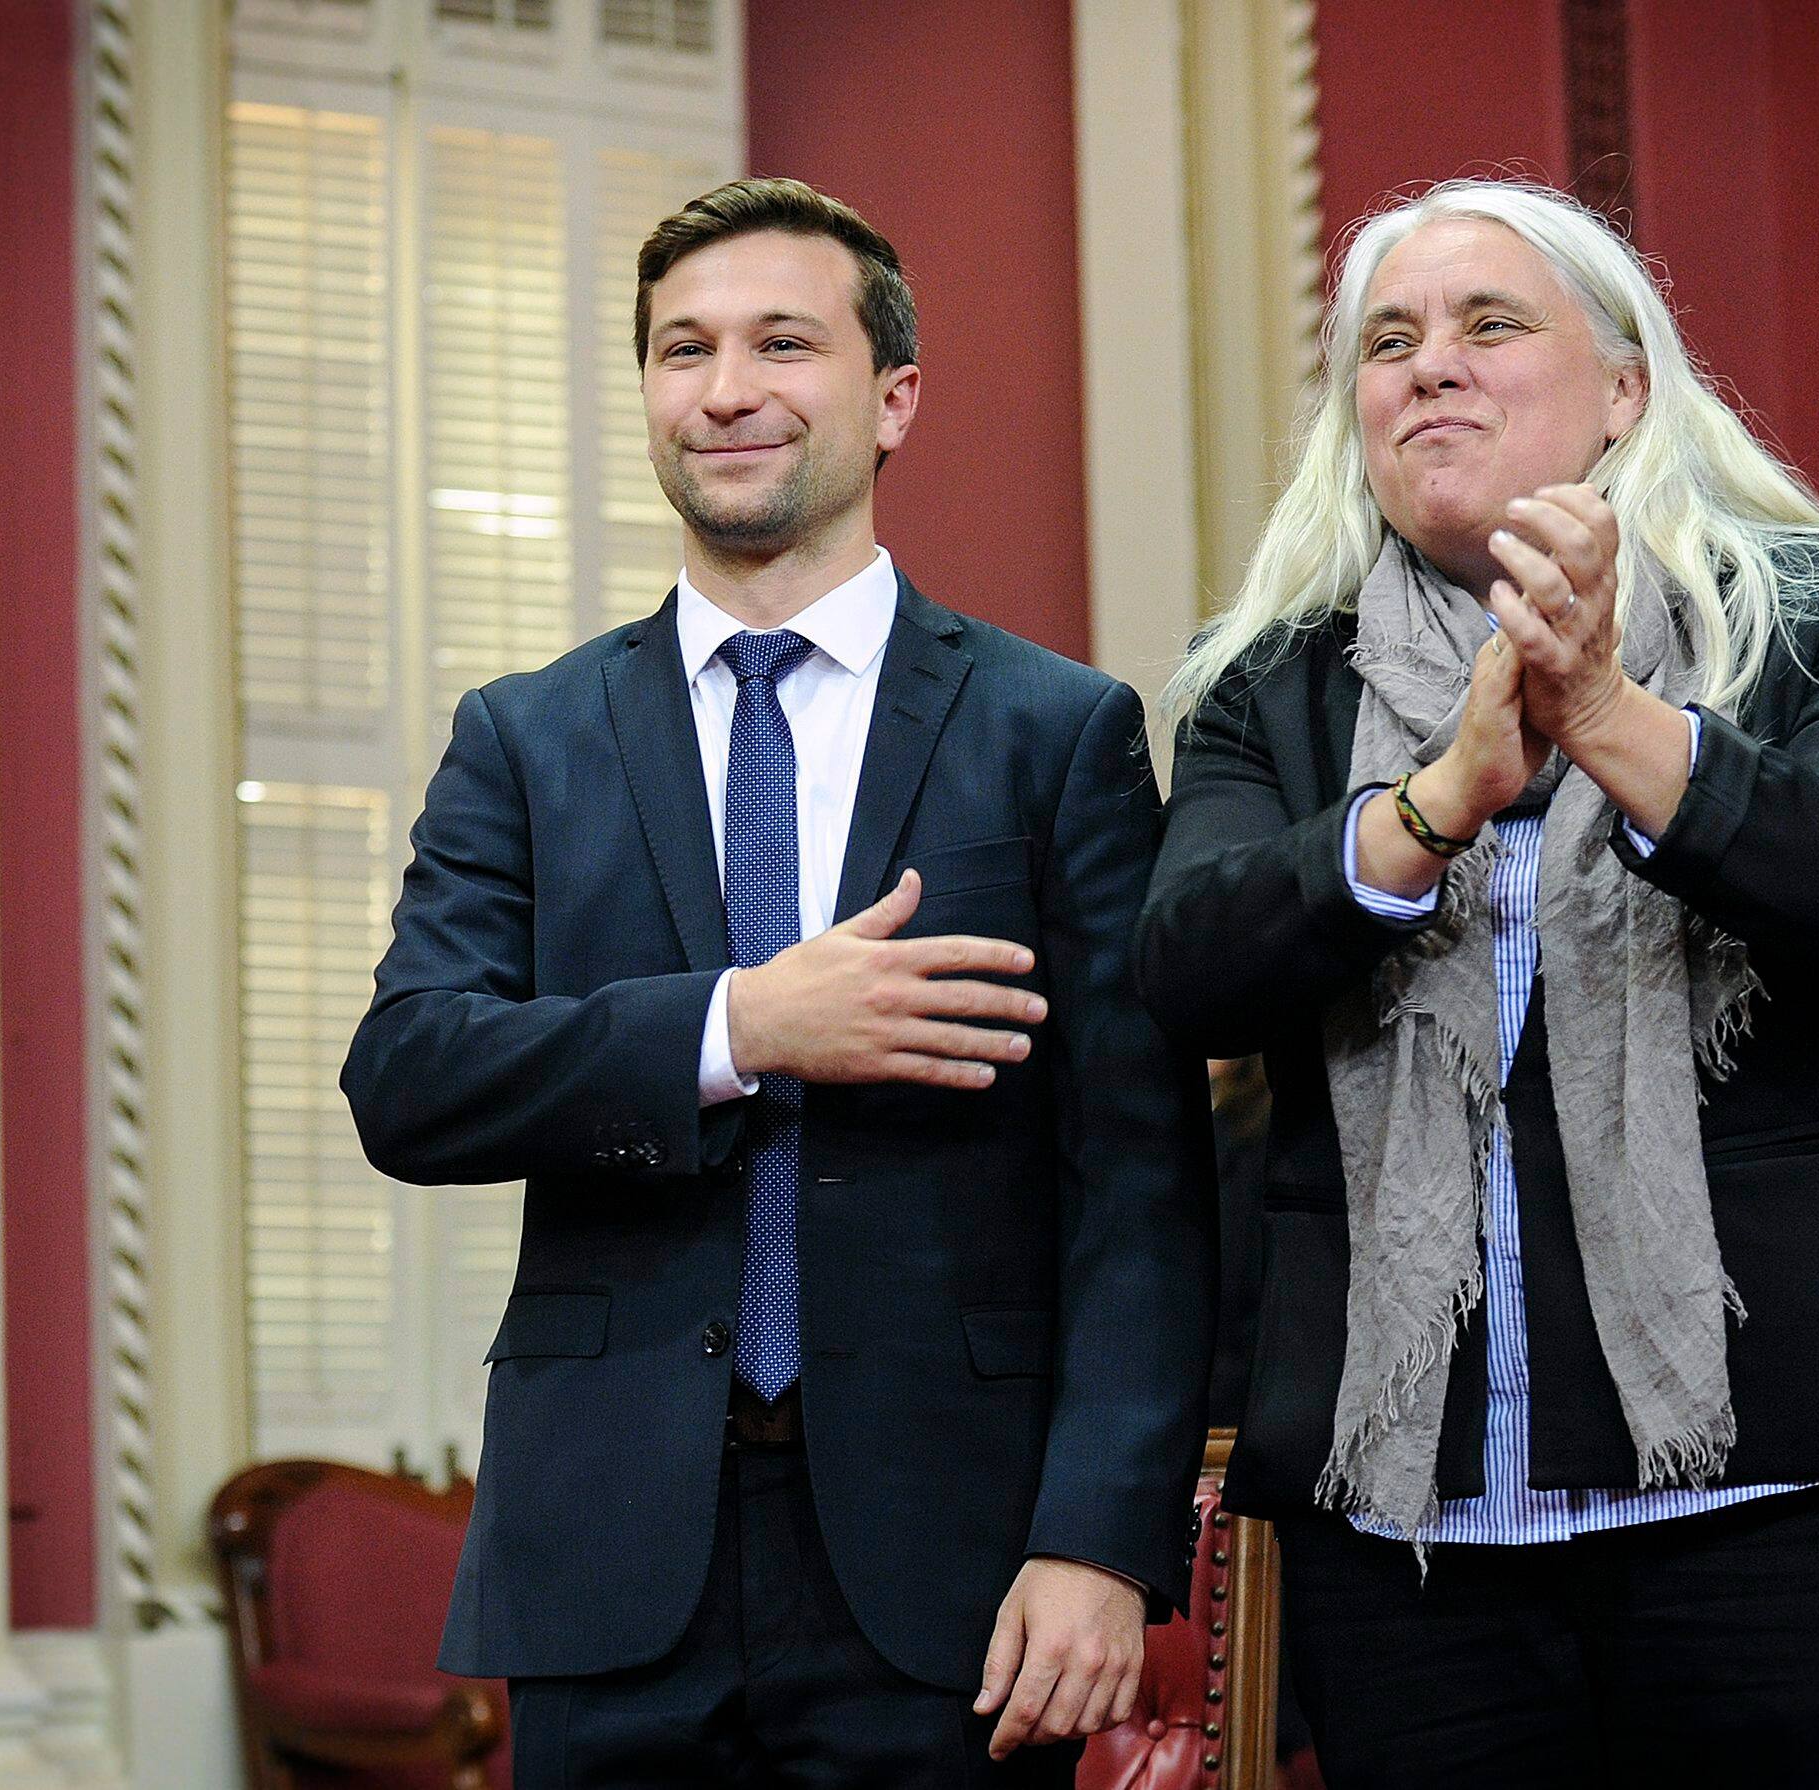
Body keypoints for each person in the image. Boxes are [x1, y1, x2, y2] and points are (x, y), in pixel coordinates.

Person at [344, 176, 1213, 1789]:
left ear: (893, 400)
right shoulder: (524, 738)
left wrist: (1102, 1536)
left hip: (955, 1570)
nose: (725, 388)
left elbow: (1142, 1181)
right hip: (609, 1557)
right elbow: (408, 1073)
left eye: (780, 343)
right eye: (683, 350)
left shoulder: (1056, 732)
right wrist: (738, 1026)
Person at [1136, 177, 1819, 1788]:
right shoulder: (1270, 684)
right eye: (1388, 341)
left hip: (1769, 1500)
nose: (1430, 365)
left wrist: (1605, 711)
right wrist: (1432, 803)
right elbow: (1189, 974)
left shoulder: (1811, 616)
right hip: (1413, 1545)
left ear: (1623, 389)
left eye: (1488, 324)